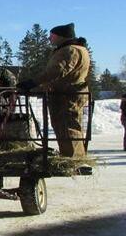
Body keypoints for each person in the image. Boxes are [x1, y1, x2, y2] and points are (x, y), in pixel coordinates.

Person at [16, 23, 91, 158]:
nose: (50, 39)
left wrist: (33, 82)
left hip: (66, 94)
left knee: (67, 125)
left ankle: (73, 157)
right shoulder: (77, 49)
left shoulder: (69, 50)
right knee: (68, 124)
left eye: (52, 36)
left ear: (61, 37)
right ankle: (71, 154)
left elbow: (56, 71)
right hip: (68, 92)